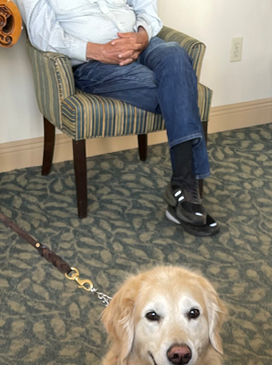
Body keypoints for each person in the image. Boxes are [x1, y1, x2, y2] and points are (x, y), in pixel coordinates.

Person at [18, 0, 218, 237]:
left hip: (143, 46)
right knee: (178, 87)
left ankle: (181, 186)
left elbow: (145, 6)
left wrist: (142, 38)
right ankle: (185, 189)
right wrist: (99, 51)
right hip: (94, 63)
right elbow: (43, 34)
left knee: (175, 53)